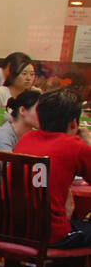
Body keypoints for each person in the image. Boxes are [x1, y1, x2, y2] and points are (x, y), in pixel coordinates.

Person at [13, 89, 91, 250]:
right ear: (74, 123)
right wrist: (88, 141)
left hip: (13, 228)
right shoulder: (75, 146)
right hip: (50, 234)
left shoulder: (27, 137)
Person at [0, 89, 40, 164]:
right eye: (38, 109)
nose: (43, 114)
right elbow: (10, 172)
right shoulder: (2, 137)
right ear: (22, 110)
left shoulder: (30, 136)